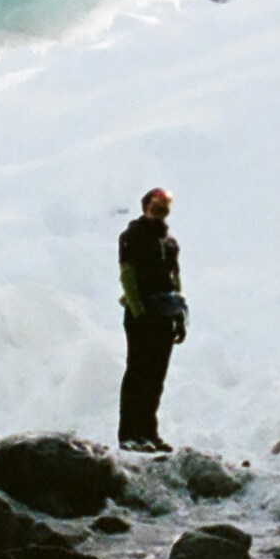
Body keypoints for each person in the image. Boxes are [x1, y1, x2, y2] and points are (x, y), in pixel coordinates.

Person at [116, 186, 185, 451]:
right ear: (145, 205)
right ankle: (130, 435)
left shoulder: (170, 243)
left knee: (156, 376)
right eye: (156, 202)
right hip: (141, 314)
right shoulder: (132, 236)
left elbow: (174, 279)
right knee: (138, 373)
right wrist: (138, 311)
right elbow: (127, 275)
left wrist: (179, 315)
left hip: (164, 314)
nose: (161, 206)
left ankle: (149, 433)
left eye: (165, 202)